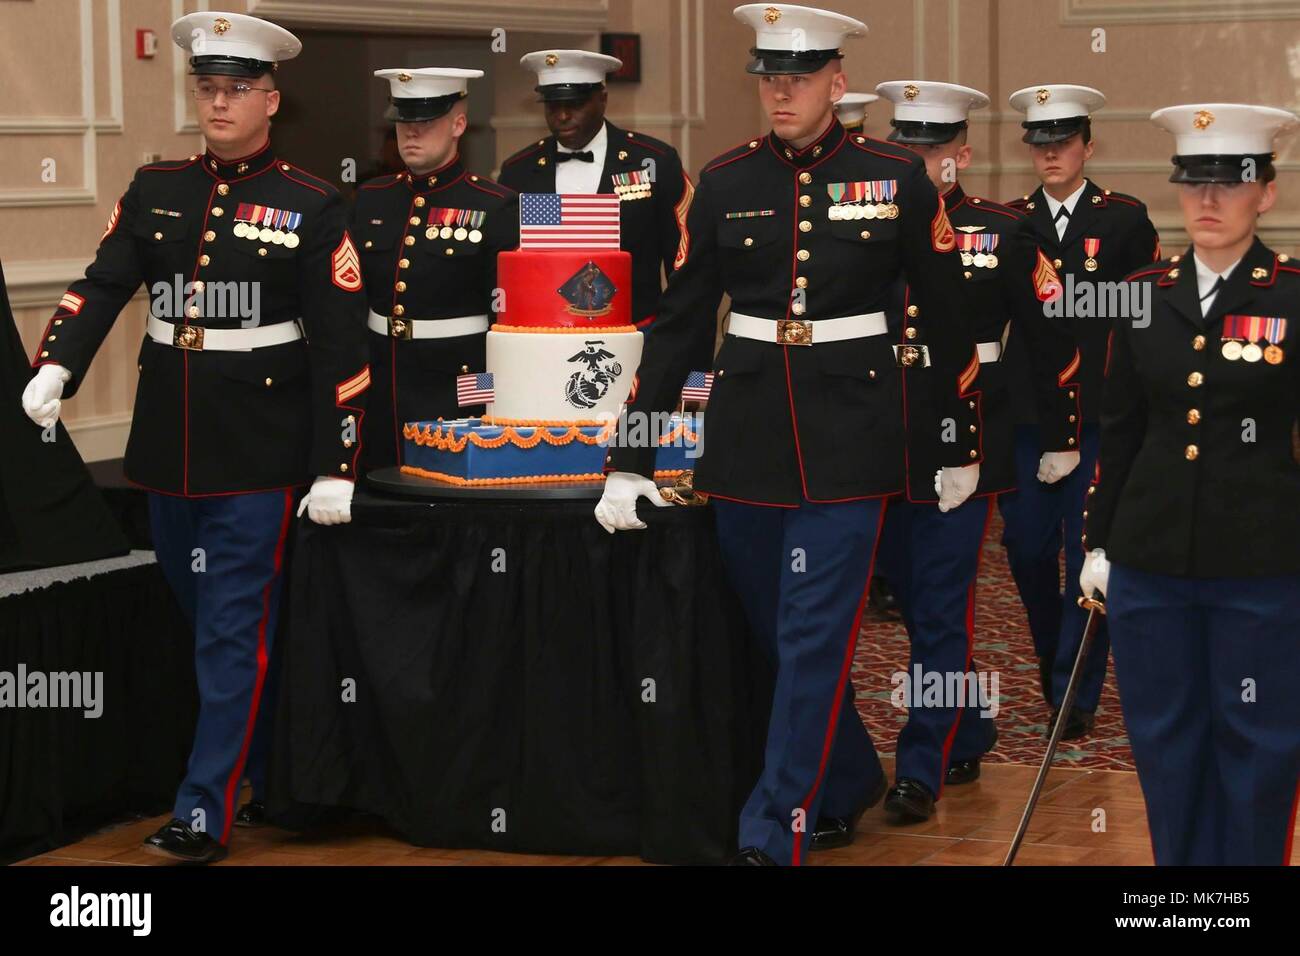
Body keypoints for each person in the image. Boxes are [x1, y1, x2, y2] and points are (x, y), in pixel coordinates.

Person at [595, 3, 981, 865]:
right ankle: (843, 779)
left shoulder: (893, 176)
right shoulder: (726, 179)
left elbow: (948, 319)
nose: (780, 91)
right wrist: (633, 454)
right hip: (748, 435)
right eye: (769, 77)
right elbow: (682, 325)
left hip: (853, 435)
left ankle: (775, 829)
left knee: (815, 634)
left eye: (798, 77)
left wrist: (955, 441)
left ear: (837, 84)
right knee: (776, 630)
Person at [20, 11, 370, 862]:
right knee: (219, 623)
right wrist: (57, 364)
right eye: (207, 87)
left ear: (272, 99)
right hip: (168, 448)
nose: (219, 102)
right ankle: (283, 773)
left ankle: (203, 808)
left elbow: (343, 348)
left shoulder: (313, 203)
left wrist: (338, 465)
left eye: (237, 88)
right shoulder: (157, 187)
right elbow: (102, 283)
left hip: (259, 452)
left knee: (229, 631)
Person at [1081, 103, 1300, 865]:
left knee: (1259, 741)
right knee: (1166, 742)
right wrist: (1098, 543)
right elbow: (1122, 428)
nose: (1209, 200)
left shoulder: (1292, 296)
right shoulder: (1139, 293)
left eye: (1232, 182)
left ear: (1266, 193)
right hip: (1152, 562)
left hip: (1262, 565)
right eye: (1193, 182)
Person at [871, 80, 1081, 822]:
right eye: (905, 148)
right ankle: (972, 722)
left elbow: (1053, 334)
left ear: (961, 153)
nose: (918, 161)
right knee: (891, 592)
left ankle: (921, 760)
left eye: (932, 149)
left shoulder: (999, 228)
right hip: (873, 436)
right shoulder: (865, 224)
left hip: (966, 435)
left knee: (940, 602)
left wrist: (1061, 435)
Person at [1002, 85, 1161, 737]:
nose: (1050, 155)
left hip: (1099, 413)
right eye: (1039, 144)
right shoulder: (1011, 223)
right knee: (1026, 549)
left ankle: (1075, 689)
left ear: (1087, 147)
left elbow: (1142, 317)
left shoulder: (1122, 220)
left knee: (1087, 549)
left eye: (1062, 143)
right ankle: (1050, 652)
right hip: (1028, 414)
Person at [354, 68, 519, 470]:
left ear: (458, 125)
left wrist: (487, 397)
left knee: (451, 498)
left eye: (425, 122)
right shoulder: (371, 198)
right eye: (402, 122)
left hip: (457, 383)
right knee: (380, 492)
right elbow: (350, 296)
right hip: (382, 380)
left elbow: (506, 320)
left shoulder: (495, 204)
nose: (410, 133)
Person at [498, 49, 692, 329]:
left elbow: (682, 263)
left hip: (635, 332)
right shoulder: (519, 171)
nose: (562, 115)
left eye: (575, 104)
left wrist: (671, 339)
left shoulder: (654, 161)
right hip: (543, 334)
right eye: (552, 105)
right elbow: (509, 264)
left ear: (602, 99)